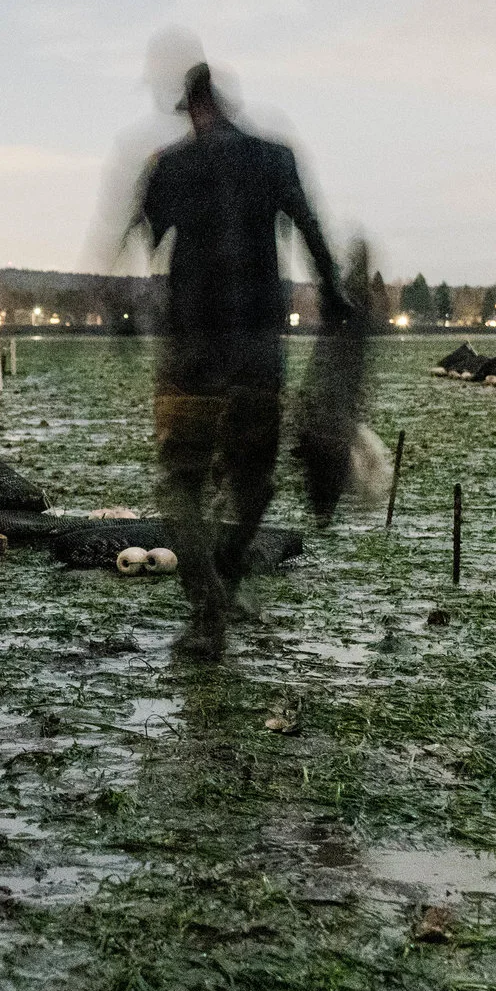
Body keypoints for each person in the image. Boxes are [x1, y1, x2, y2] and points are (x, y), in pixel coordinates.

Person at [125, 56, 351, 661]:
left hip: (191, 356)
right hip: (257, 353)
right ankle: (227, 575)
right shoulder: (274, 157)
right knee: (253, 482)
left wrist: (125, 315)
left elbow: (139, 238)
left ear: (192, 110)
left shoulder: (170, 167)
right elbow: (311, 230)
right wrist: (337, 296)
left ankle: (207, 609)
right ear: (223, 103)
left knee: (180, 485)